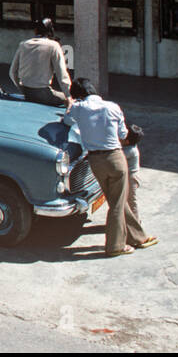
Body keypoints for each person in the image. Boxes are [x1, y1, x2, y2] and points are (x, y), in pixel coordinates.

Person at [62, 78, 158, 257]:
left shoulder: (78, 108)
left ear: (78, 95)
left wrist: (71, 105)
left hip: (94, 161)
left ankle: (138, 237)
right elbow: (122, 134)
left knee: (116, 200)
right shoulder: (113, 107)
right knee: (117, 203)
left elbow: (68, 121)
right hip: (115, 158)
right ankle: (115, 246)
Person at [9, 17, 71, 106]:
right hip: (43, 93)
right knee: (71, 100)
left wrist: (21, 88)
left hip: (27, 91)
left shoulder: (23, 44)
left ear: (35, 30)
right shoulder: (53, 45)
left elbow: (12, 72)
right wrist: (69, 96)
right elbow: (62, 74)